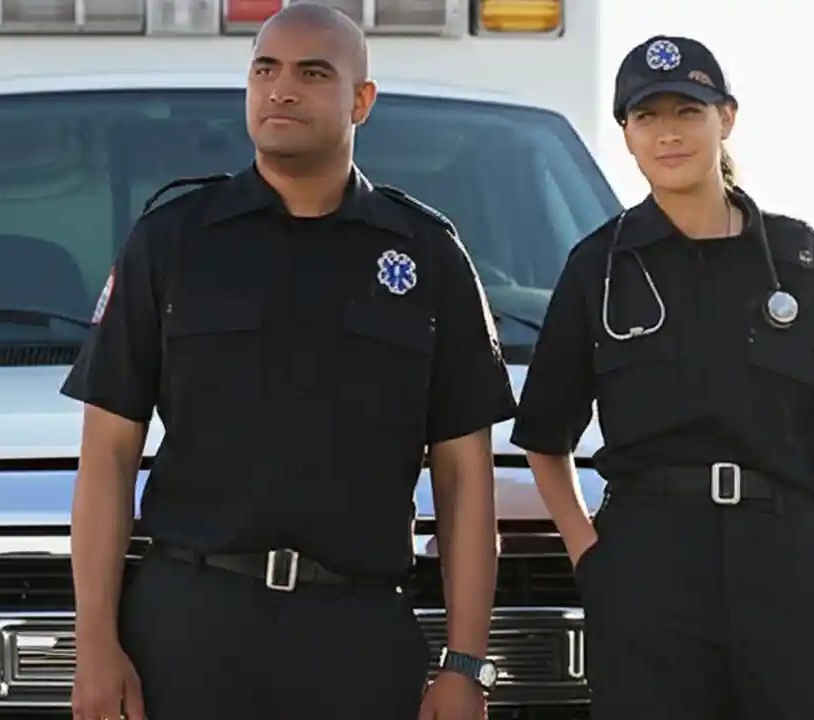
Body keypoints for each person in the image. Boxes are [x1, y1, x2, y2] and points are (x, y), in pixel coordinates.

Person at [59, 4, 516, 719]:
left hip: (358, 635)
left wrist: (465, 664)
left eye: (312, 72)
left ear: (361, 100)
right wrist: (94, 645)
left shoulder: (428, 257)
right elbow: (108, 456)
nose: (281, 89)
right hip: (190, 628)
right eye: (265, 69)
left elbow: (464, 480)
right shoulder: (174, 241)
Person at [510, 34, 814, 720]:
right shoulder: (597, 268)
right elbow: (545, 437)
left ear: (726, 117)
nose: (668, 134)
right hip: (648, 566)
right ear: (627, 136)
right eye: (647, 117)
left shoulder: (800, 259)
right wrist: (592, 560)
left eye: (687, 112)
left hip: (791, 563)